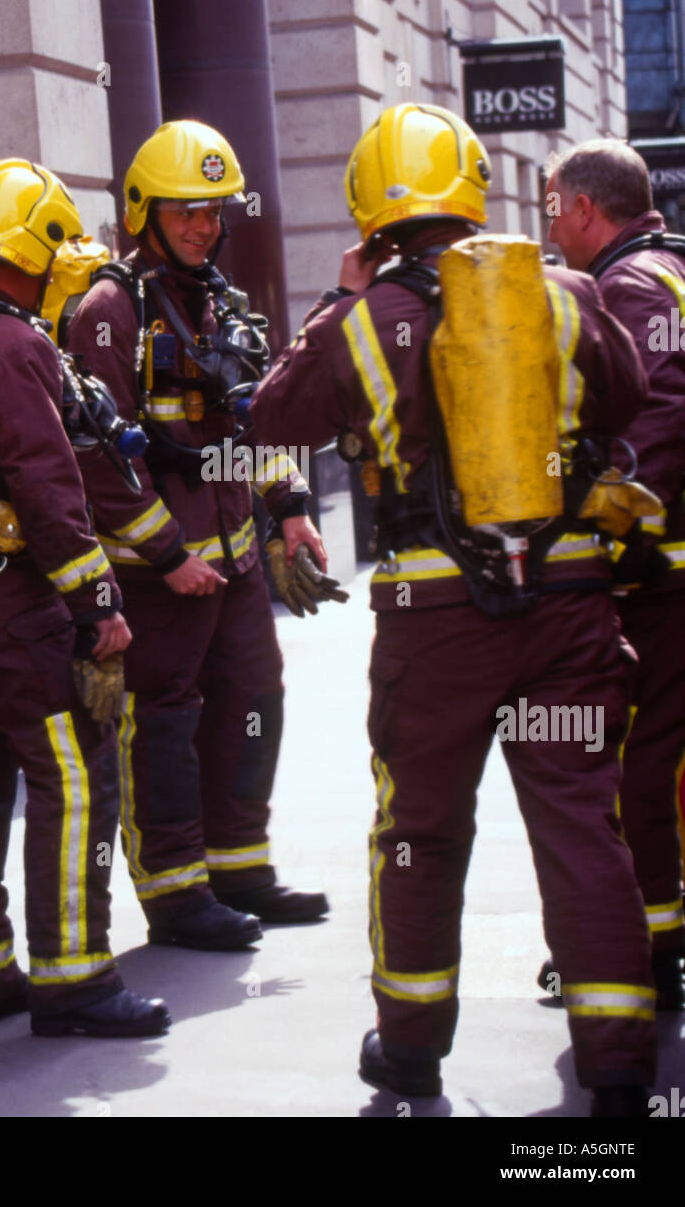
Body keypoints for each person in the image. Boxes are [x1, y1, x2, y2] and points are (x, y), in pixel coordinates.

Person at [250, 103, 658, 1116]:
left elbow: (272, 415)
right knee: (579, 826)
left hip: (432, 628)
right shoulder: (557, 291)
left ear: (367, 205)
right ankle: (616, 1065)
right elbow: (622, 391)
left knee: (418, 835)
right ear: (470, 188)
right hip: (565, 609)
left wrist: (336, 301)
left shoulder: (364, 318)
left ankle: (407, 1051)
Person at [0, 158, 169, 1037]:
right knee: (72, 774)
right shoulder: (14, 344)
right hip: (6, 603)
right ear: (35, 245)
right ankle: (75, 982)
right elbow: (50, 489)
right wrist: (98, 605)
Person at [65, 120, 329, 950]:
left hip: (239, 556)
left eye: (213, 212)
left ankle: (240, 868)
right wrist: (169, 556)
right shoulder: (108, 312)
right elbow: (97, 458)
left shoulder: (224, 304)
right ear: (145, 210)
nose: (201, 226)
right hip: (159, 575)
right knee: (164, 723)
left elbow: (264, 417)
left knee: (255, 700)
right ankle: (177, 896)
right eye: (184, 211)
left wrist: (289, 510)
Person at [546, 139, 685, 1009]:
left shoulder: (628, 288)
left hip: (659, 576)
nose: (549, 224)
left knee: (638, 756)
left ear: (587, 210)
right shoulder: (671, 273)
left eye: (552, 205)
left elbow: (654, 418)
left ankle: (644, 950)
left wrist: (612, 539)